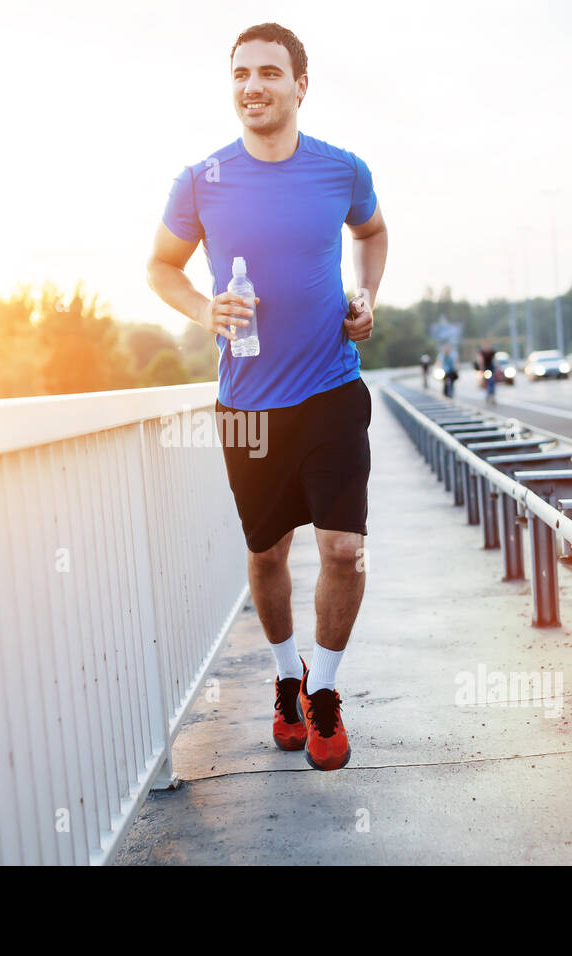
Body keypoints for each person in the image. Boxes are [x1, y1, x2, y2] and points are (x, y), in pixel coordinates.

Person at [146, 22, 387, 771]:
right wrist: (202, 309)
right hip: (248, 407)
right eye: (241, 74)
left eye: (269, 73)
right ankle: (288, 679)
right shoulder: (199, 180)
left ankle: (326, 695)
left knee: (344, 551)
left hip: (332, 389)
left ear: (300, 85)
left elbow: (372, 233)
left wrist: (367, 294)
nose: (253, 86)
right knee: (267, 552)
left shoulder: (341, 171)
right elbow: (161, 266)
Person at [478, 340, 497, 405]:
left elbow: (494, 360)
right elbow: (481, 360)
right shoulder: (482, 352)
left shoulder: (492, 352)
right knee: (485, 382)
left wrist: (497, 367)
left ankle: (493, 396)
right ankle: (487, 394)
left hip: (491, 368)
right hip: (485, 368)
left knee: (492, 382)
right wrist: (481, 369)